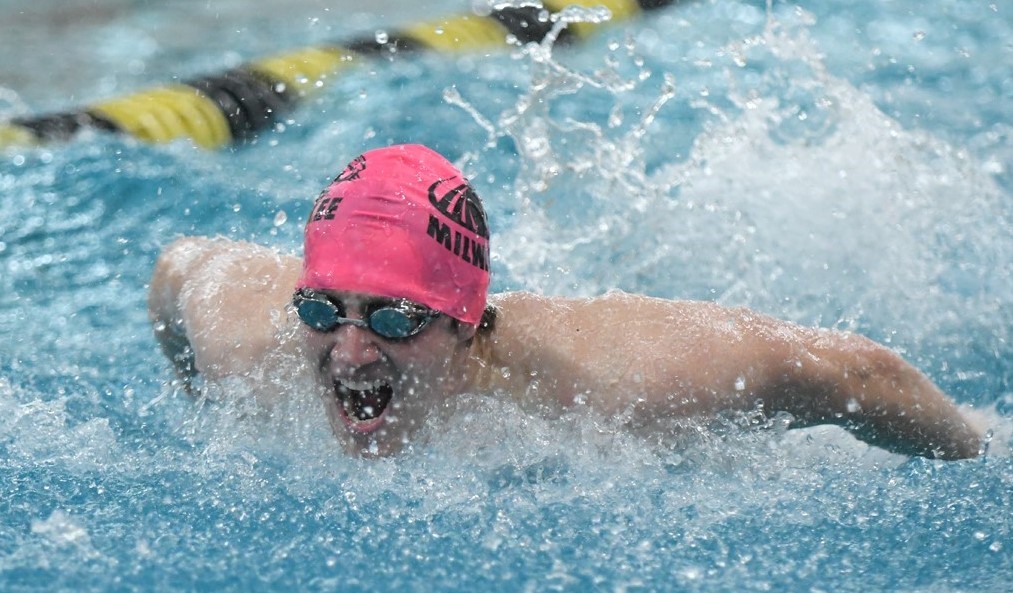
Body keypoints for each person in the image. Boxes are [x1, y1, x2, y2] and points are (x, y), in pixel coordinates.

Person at [148, 143, 984, 459]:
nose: (353, 352)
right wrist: (208, 409)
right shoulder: (247, 342)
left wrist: (979, 454)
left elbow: (863, 371)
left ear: (470, 325)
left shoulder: (608, 381)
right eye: (327, 311)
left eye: (398, 319)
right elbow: (177, 269)